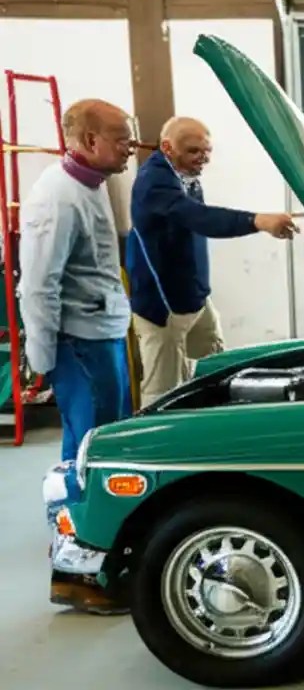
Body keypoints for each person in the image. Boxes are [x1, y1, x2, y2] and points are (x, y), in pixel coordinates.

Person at [21, 99, 135, 614]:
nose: (130, 144)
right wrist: (43, 357)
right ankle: (75, 576)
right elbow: (39, 286)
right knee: (84, 461)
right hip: (78, 345)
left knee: (106, 450)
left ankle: (100, 557)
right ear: (89, 142)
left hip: (102, 336)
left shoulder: (92, 185)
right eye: (120, 137)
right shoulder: (57, 197)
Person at [127, 117, 297, 407]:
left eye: (206, 151)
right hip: (163, 307)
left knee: (217, 364)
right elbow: (200, 218)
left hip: (194, 299)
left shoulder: (185, 174)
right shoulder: (153, 182)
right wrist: (257, 221)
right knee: (161, 390)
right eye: (194, 151)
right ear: (168, 148)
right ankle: (157, 448)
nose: (202, 158)